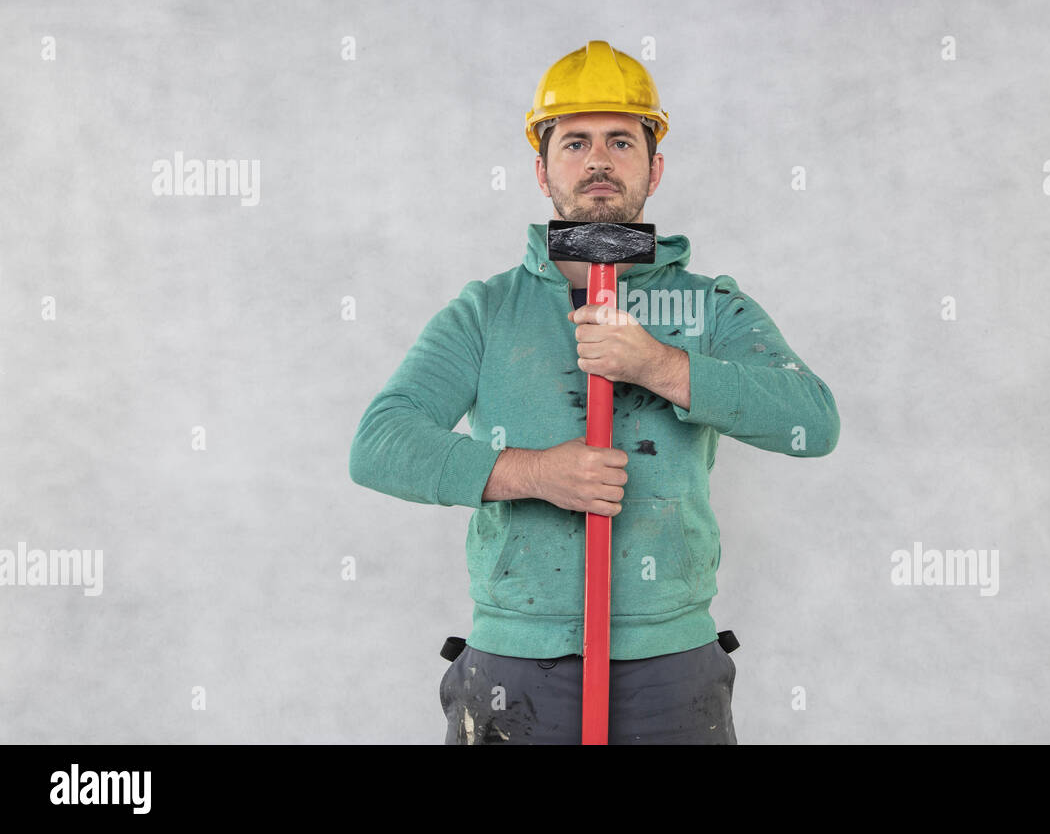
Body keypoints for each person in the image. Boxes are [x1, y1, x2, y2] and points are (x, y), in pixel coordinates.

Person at [348, 39, 840, 744]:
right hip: (516, 666)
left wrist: (659, 365)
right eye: (574, 142)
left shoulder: (709, 308)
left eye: (621, 141)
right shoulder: (487, 310)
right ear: (542, 170)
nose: (599, 160)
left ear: (655, 167)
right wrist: (536, 473)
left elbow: (813, 421)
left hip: (668, 667)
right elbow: (380, 444)